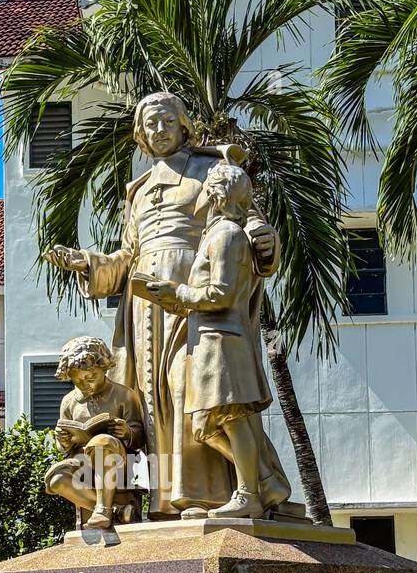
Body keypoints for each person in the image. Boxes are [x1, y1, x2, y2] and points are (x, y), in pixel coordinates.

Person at [44, 91, 291, 519]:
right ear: (141, 133)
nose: (159, 130)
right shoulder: (136, 191)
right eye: (150, 124)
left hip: (193, 294)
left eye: (166, 121)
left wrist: (264, 239)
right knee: (152, 399)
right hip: (144, 303)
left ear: (183, 124)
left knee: (195, 390)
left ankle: (218, 492)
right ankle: (167, 501)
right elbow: (127, 256)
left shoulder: (212, 167)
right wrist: (88, 262)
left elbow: (244, 215)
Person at [134, 163, 288, 519]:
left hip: (220, 339)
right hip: (205, 338)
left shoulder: (227, 235)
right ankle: (264, 482)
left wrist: (178, 292)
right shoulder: (216, 232)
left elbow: (221, 293)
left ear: (216, 194)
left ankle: (250, 492)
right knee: (205, 424)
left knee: (231, 418)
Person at [44, 336, 143, 530]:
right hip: (81, 462)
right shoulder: (69, 401)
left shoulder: (123, 395)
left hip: (116, 463)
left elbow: (141, 437)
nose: (85, 385)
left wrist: (127, 432)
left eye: (91, 378)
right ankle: (116, 511)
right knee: (57, 480)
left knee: (101, 442)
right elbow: (64, 444)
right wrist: (63, 440)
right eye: (78, 381)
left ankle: (104, 509)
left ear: (104, 368)